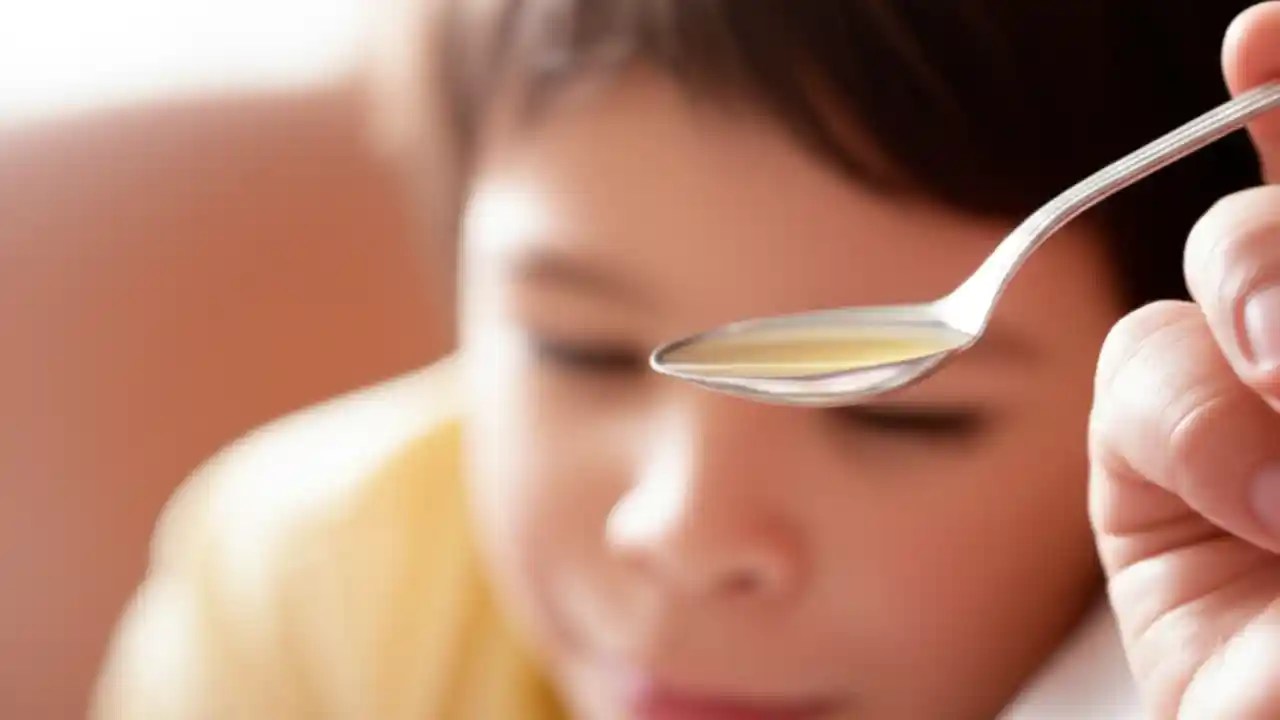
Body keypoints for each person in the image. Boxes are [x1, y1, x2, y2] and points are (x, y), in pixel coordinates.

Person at [93, 1, 1280, 718]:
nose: (682, 532)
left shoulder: (1219, 631)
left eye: (897, 413)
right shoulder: (307, 598)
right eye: (580, 350)